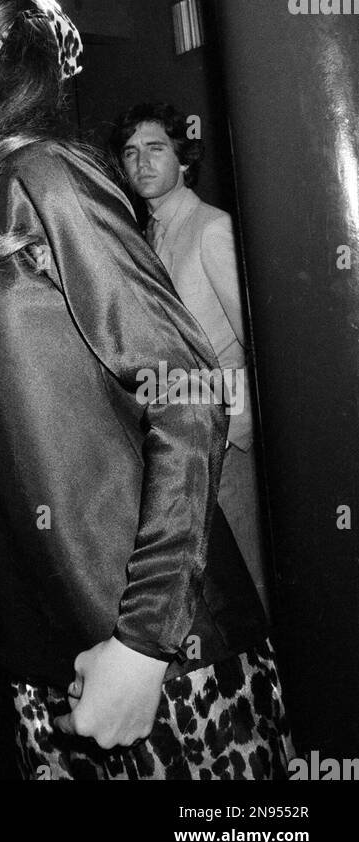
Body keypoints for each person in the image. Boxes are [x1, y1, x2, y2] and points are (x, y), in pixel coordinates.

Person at [0, 0, 291, 780]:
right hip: (49, 653)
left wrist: (142, 643)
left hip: (159, 652)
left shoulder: (44, 172)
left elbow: (189, 393)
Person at [110, 103, 271, 614]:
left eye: (156, 149)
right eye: (131, 152)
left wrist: (231, 426)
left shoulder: (210, 228)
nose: (141, 163)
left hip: (226, 440)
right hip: (180, 437)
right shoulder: (150, 235)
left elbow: (259, 348)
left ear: (184, 159)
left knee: (249, 579)